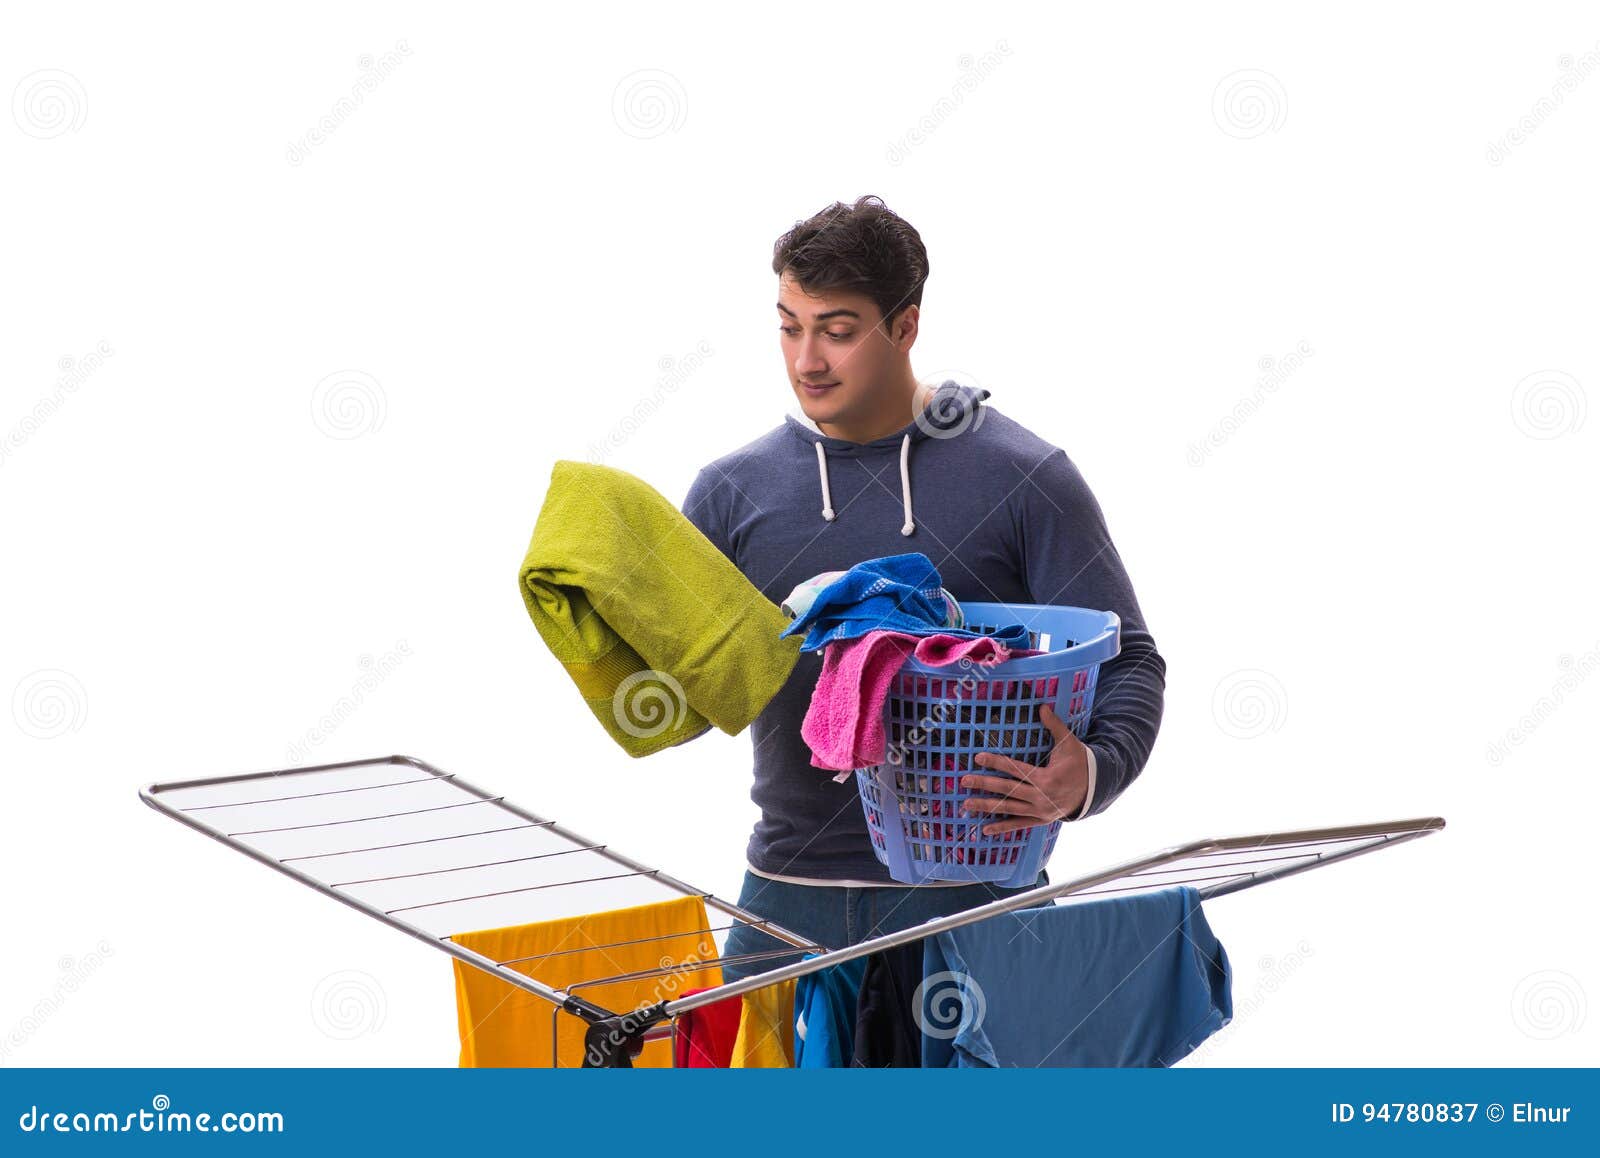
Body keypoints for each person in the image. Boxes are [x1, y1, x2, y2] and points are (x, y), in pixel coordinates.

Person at [682, 195, 1166, 983]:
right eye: (788, 325)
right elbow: (689, 695)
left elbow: (1131, 658)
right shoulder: (732, 493)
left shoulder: (1021, 476)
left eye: (837, 331)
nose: (808, 359)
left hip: (974, 898)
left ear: (905, 326)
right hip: (784, 898)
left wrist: (1094, 773)